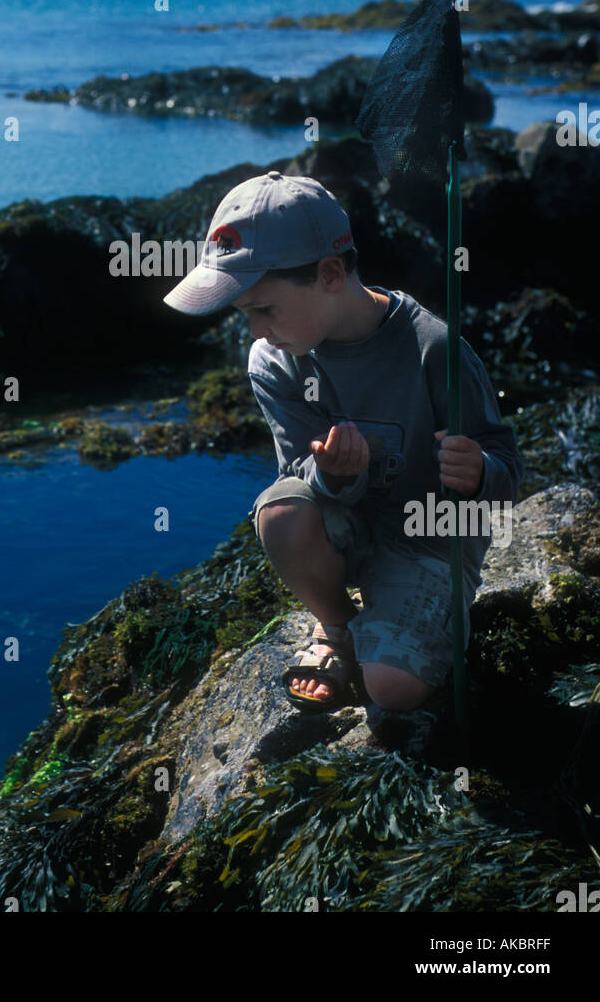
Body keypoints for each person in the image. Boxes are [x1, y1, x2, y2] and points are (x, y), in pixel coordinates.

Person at [163, 169, 523, 716]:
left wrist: (478, 473)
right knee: (279, 513)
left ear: (330, 273)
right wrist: (332, 475)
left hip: (427, 538)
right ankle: (337, 626)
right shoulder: (275, 360)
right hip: (346, 528)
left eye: (264, 308)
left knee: (391, 690)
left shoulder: (434, 349)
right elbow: (294, 479)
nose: (257, 331)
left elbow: (507, 473)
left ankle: (408, 620)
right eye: (245, 315)